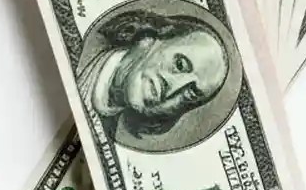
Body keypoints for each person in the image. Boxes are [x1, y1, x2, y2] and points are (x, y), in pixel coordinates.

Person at [77, 9, 230, 140]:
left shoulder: (102, 140)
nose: (173, 88)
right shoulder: (77, 51)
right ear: (149, 39)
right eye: (180, 65)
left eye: (191, 93)